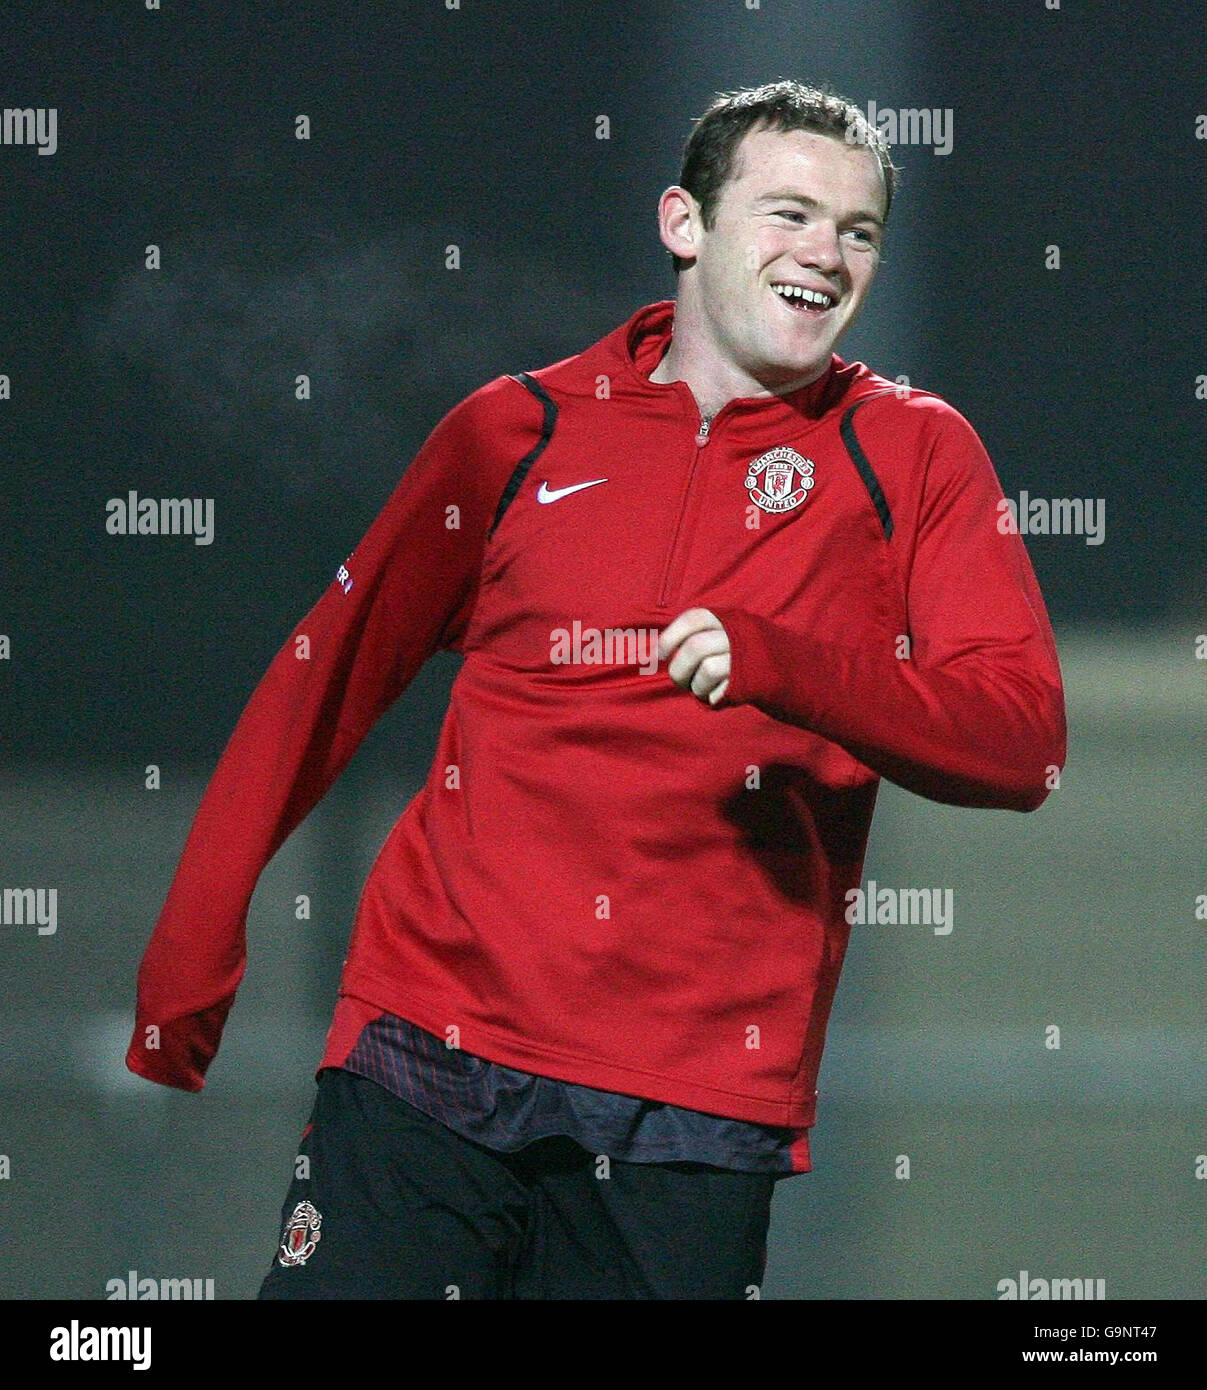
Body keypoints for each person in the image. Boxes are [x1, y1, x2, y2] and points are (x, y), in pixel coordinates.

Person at [126, 80, 1066, 1299]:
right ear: (685, 223)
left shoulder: (917, 452)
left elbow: (1020, 743)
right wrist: (189, 943)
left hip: (693, 1105)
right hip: (430, 1048)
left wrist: (789, 667)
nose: (824, 255)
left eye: (858, 231)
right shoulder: (508, 434)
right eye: (789, 213)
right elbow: (324, 674)